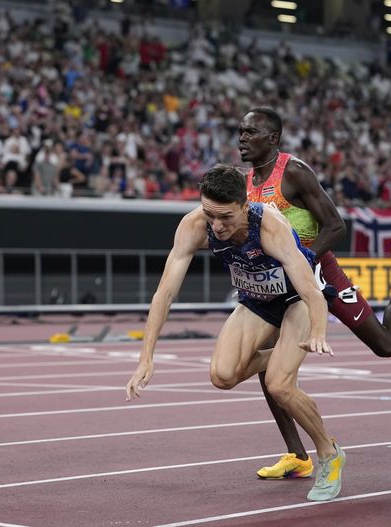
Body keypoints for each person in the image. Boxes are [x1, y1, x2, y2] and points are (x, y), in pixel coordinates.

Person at [239, 108, 391, 479]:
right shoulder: (245, 183)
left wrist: (302, 263)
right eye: (239, 130)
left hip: (320, 274)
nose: (241, 137)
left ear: (272, 138)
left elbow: (336, 226)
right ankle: (298, 455)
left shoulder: (295, 172)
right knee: (267, 363)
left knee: (385, 344)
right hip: (282, 285)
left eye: (250, 131)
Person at [126, 164, 346, 502]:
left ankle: (329, 453)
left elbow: (310, 290)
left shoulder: (269, 226)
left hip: (296, 299)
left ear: (245, 205)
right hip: (256, 300)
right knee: (222, 376)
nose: (217, 225)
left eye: (225, 217)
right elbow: (164, 294)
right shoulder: (194, 225)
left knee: (279, 385)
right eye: (210, 215)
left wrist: (318, 331)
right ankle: (280, 357)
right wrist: (146, 357)